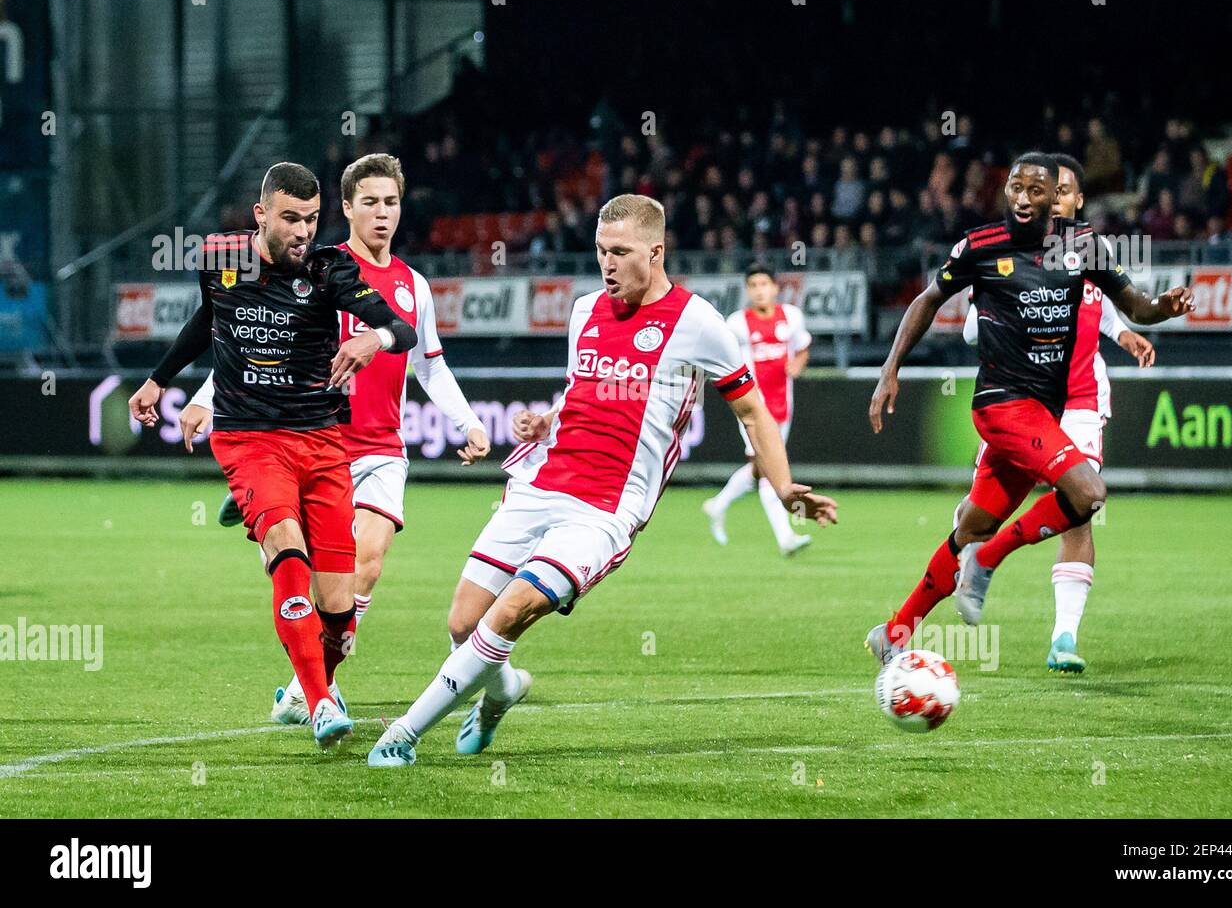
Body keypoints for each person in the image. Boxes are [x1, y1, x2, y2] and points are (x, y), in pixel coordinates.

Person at [367, 194, 838, 767]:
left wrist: (785, 487)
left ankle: (405, 734)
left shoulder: (699, 323)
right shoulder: (585, 308)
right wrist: (546, 419)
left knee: (513, 609)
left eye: (620, 252)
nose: (607, 264)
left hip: (605, 511)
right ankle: (503, 693)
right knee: (464, 622)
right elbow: (580, 387)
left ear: (657, 252)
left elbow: (753, 412)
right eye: (600, 251)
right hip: (540, 483)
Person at [178, 153, 492, 723]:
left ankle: (311, 690)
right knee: (313, 566)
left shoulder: (412, 286)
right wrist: (203, 401)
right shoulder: (316, 268)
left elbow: (431, 366)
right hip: (309, 437)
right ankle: (314, 679)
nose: (381, 214)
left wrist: (466, 421)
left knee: (365, 565)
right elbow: (246, 342)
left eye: (391, 202)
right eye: (368, 202)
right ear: (343, 209)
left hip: (379, 450)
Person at [128, 162, 418, 748]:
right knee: (285, 546)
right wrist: (159, 379)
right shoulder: (219, 257)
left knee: (338, 607)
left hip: (320, 441)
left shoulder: (331, 269)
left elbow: (400, 327)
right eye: (290, 218)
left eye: (312, 219)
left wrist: (374, 338)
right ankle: (317, 705)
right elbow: (208, 319)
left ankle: (317, 680)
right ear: (261, 216)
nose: (303, 231)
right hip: (248, 437)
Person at [865, 153, 1194, 663]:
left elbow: (1134, 306)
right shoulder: (979, 246)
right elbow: (927, 300)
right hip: (1001, 405)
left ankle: (897, 630)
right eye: (1015, 187)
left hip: (1043, 410)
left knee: (971, 526)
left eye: (1035, 190)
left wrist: (1163, 310)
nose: (1022, 198)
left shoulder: (1082, 246)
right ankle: (990, 561)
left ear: (1053, 198)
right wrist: (890, 369)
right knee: (1088, 493)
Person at [953, 154, 1155, 672]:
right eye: (1046, 190)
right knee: (977, 518)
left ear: (1075, 200)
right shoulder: (1013, 256)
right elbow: (975, 322)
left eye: (1063, 191)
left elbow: (1107, 304)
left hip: (1082, 400)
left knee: (1080, 507)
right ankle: (971, 549)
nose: (1053, 198)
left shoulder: (1087, 251)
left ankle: (1064, 636)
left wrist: (1126, 333)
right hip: (1019, 401)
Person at [702, 261, 814, 555]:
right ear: (747, 291)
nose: (759, 291)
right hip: (752, 409)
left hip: (783, 407)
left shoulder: (791, 317)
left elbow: (802, 348)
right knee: (769, 470)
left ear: (775, 287)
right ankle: (786, 537)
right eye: (753, 286)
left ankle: (719, 504)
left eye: (764, 284)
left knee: (758, 468)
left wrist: (797, 365)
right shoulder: (737, 323)